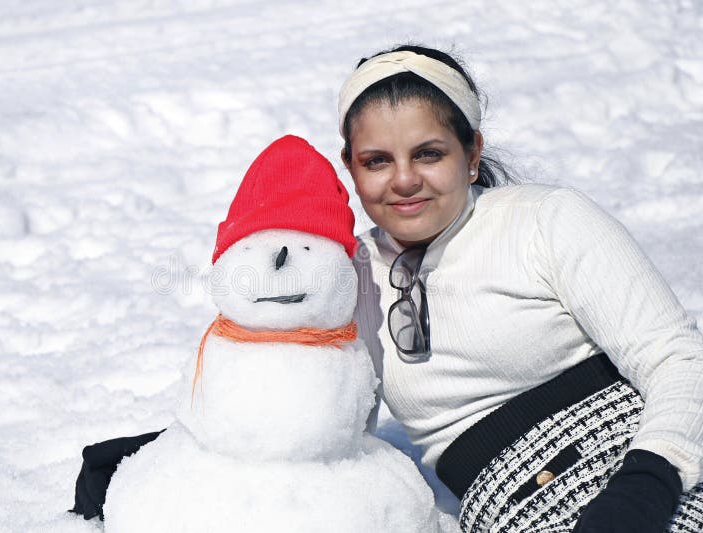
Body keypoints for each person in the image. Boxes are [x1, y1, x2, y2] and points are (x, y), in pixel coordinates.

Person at [69, 45, 703, 532]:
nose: (404, 181)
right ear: (352, 167)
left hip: (652, 473)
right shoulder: (351, 278)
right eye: (377, 161)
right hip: (511, 509)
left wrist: (645, 486)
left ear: (472, 152)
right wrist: (153, 455)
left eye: (429, 153)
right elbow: (313, 413)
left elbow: (678, 359)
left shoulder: (547, 221)